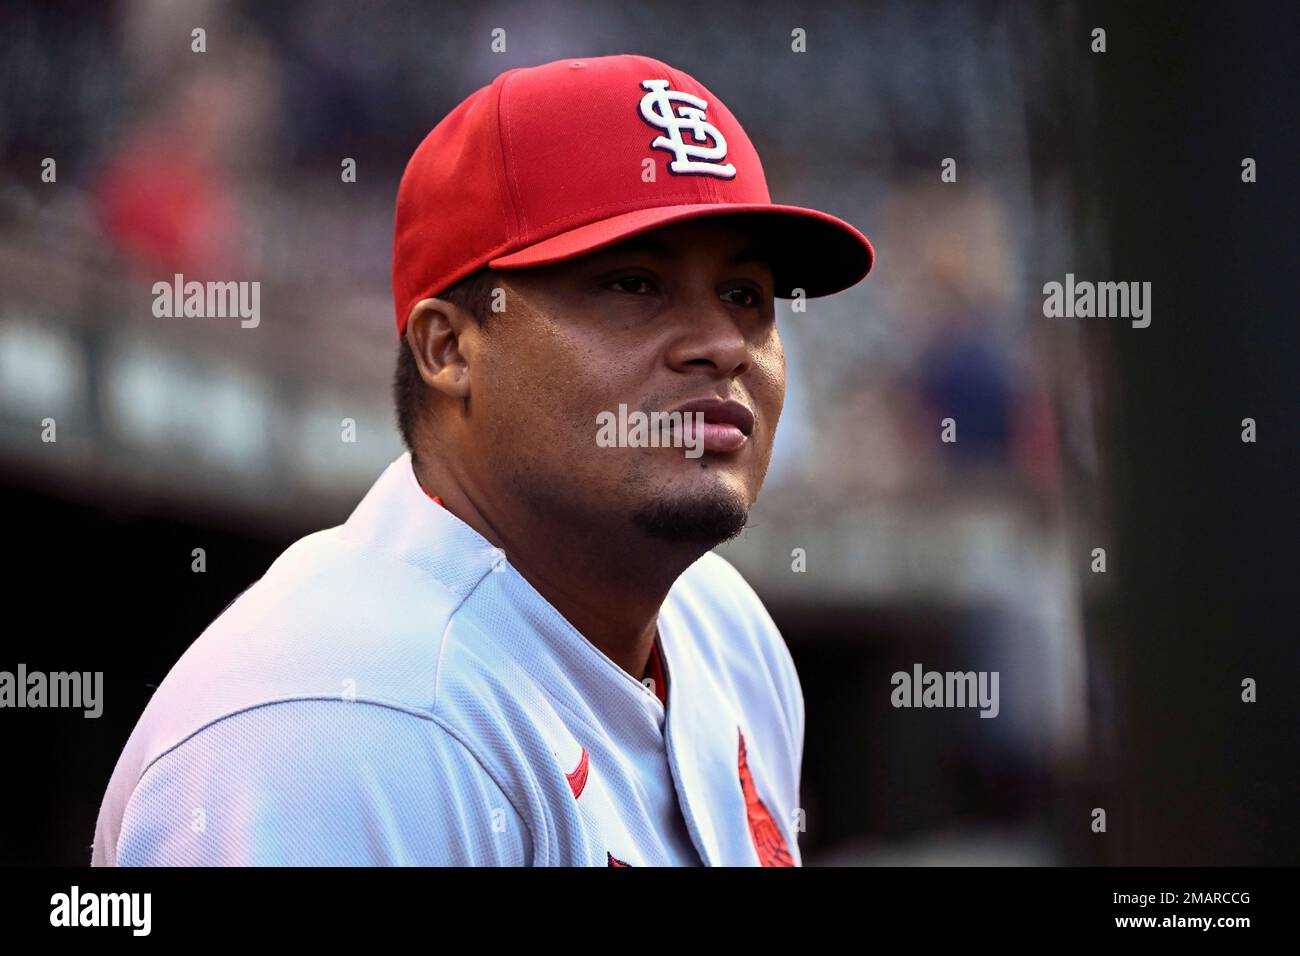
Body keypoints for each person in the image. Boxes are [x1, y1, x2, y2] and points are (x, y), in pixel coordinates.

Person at [92, 53, 873, 866]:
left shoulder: (724, 627)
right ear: (449, 349)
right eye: (634, 285)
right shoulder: (336, 727)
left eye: (745, 295)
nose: (721, 345)